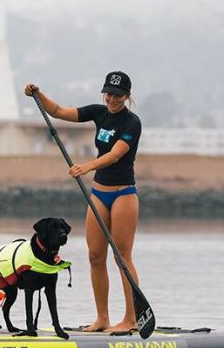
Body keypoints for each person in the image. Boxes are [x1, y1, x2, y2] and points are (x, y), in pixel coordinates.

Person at [24, 71, 142, 333]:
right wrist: (37, 93)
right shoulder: (98, 112)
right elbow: (57, 111)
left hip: (123, 194)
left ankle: (131, 319)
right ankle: (102, 318)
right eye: (109, 94)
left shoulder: (132, 122)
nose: (112, 99)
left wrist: (87, 166)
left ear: (127, 96)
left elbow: (116, 154)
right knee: (95, 256)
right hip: (99, 193)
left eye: (118, 95)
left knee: (122, 256)